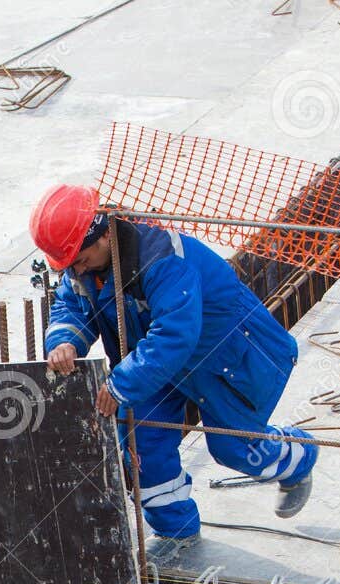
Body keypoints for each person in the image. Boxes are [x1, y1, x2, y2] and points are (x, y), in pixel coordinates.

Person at [30, 184, 319, 563]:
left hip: (223, 357)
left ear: (103, 234)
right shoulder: (84, 266)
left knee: (233, 448)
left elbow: (175, 335)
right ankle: (176, 531)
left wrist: (122, 384)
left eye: (80, 260)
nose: (75, 270)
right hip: (154, 364)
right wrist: (64, 340)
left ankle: (299, 456)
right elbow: (71, 304)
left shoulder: (164, 258)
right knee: (141, 445)